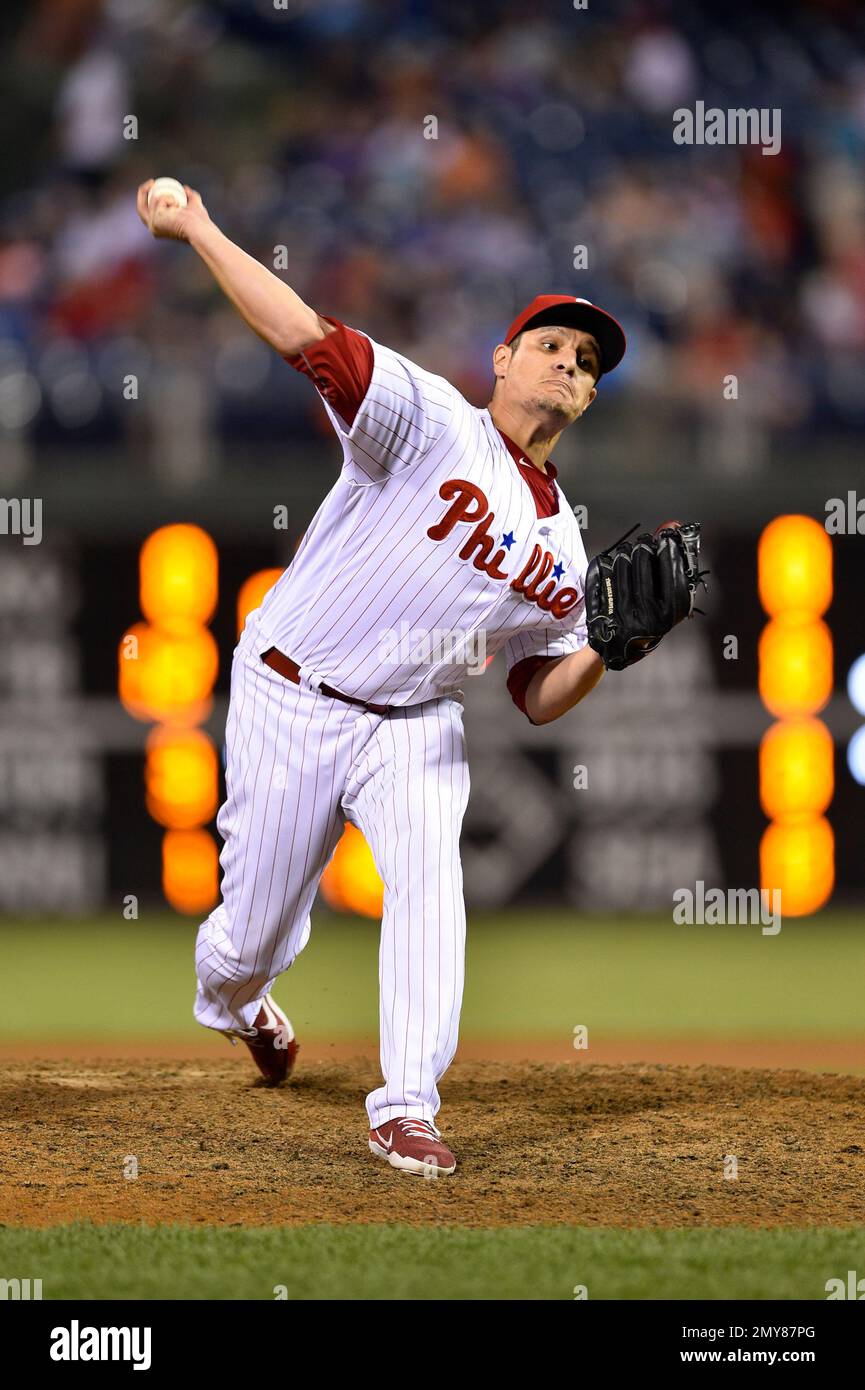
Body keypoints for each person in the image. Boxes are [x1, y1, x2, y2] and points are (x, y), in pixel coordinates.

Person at [137, 179, 627, 1177]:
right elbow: (306, 336)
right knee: (246, 938)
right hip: (291, 689)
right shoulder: (428, 417)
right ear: (502, 358)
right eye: (549, 345)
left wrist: (606, 653)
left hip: (416, 724)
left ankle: (405, 1103)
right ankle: (239, 1004)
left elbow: (536, 694)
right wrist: (198, 227)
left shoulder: (565, 547)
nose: (566, 364)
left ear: (586, 396)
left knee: (429, 887)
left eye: (583, 363)